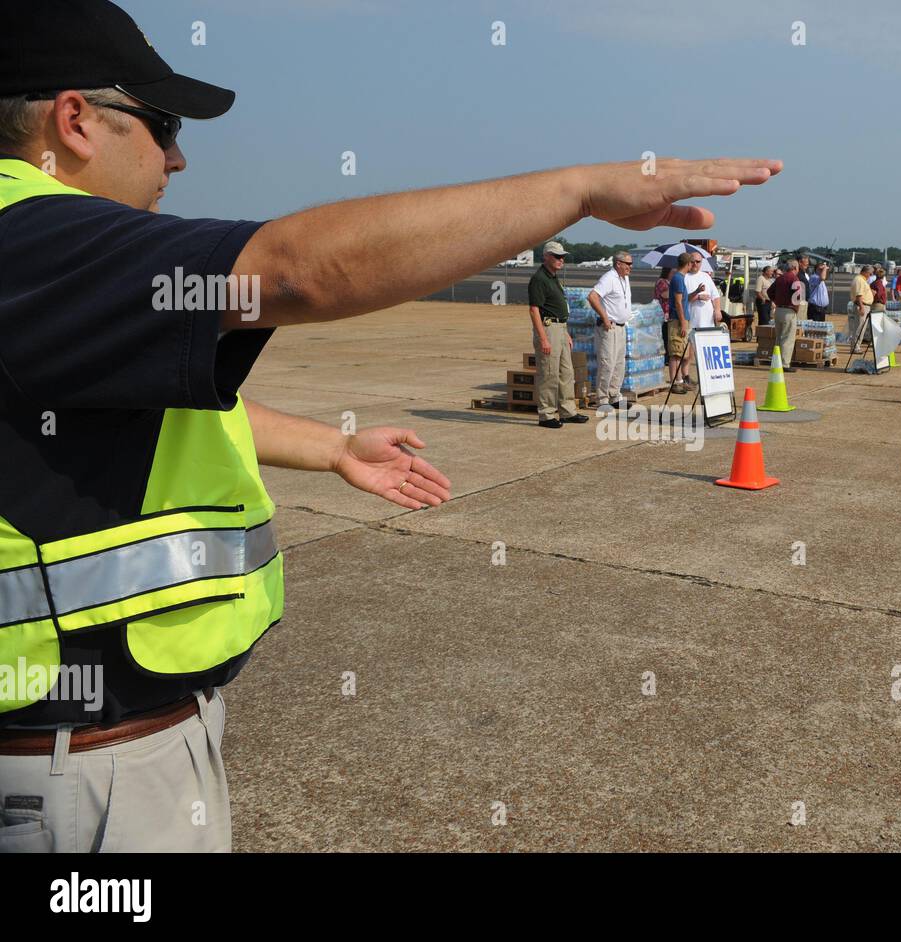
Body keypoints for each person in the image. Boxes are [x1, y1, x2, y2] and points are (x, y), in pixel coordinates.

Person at [0, 0, 781, 853]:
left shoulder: (47, 268)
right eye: (162, 124)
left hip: (97, 748)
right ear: (73, 119)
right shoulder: (31, 239)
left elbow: (139, 408)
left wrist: (331, 446)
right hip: (84, 774)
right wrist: (578, 191)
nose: (179, 159)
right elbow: (298, 269)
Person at [529, 244, 590, 427]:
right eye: (557, 256)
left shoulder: (553, 277)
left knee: (566, 372)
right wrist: (543, 338)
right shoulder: (539, 279)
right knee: (549, 373)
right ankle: (546, 414)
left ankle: (567, 410)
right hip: (549, 329)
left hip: (560, 328)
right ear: (546, 256)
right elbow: (534, 310)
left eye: (562, 256)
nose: (561, 259)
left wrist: (566, 333)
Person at [587, 251, 635, 412]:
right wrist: (605, 318)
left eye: (631, 263)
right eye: (628, 264)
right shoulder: (609, 278)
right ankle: (602, 399)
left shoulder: (624, 278)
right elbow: (593, 296)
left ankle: (615, 395)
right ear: (618, 264)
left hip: (621, 327)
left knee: (619, 364)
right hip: (609, 327)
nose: (631, 267)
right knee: (607, 363)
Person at [767, 258, 801, 372]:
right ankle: (785, 364)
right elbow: (797, 296)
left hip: (778, 310)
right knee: (787, 338)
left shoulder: (780, 278)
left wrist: (775, 300)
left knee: (779, 338)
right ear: (795, 268)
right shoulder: (794, 279)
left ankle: (776, 362)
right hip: (789, 311)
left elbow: (769, 292)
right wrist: (796, 308)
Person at [666, 253, 693, 393]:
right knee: (676, 353)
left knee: (681, 352)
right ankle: (674, 383)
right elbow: (678, 302)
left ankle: (680, 380)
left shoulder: (679, 278)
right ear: (688, 264)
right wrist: (683, 322)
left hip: (680, 319)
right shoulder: (678, 278)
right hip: (677, 320)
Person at [683, 251, 722, 336]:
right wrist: (698, 297)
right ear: (688, 262)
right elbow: (683, 299)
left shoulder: (706, 276)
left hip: (708, 320)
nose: (695, 264)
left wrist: (717, 310)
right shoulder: (685, 277)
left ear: (701, 262)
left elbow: (715, 296)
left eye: (698, 261)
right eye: (692, 261)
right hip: (692, 320)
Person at [847, 264, 872, 350]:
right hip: (862, 305)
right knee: (859, 328)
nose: (870, 276)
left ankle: (856, 346)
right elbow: (859, 295)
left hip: (864, 305)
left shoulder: (861, 280)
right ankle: (855, 347)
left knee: (861, 327)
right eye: (870, 273)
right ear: (865, 272)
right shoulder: (859, 280)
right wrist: (861, 307)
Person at [654, 265, 672, 357]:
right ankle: (665, 357)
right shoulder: (662, 282)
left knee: (667, 336)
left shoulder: (669, 282)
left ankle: (667, 356)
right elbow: (664, 294)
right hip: (663, 313)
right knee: (664, 336)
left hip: (668, 314)